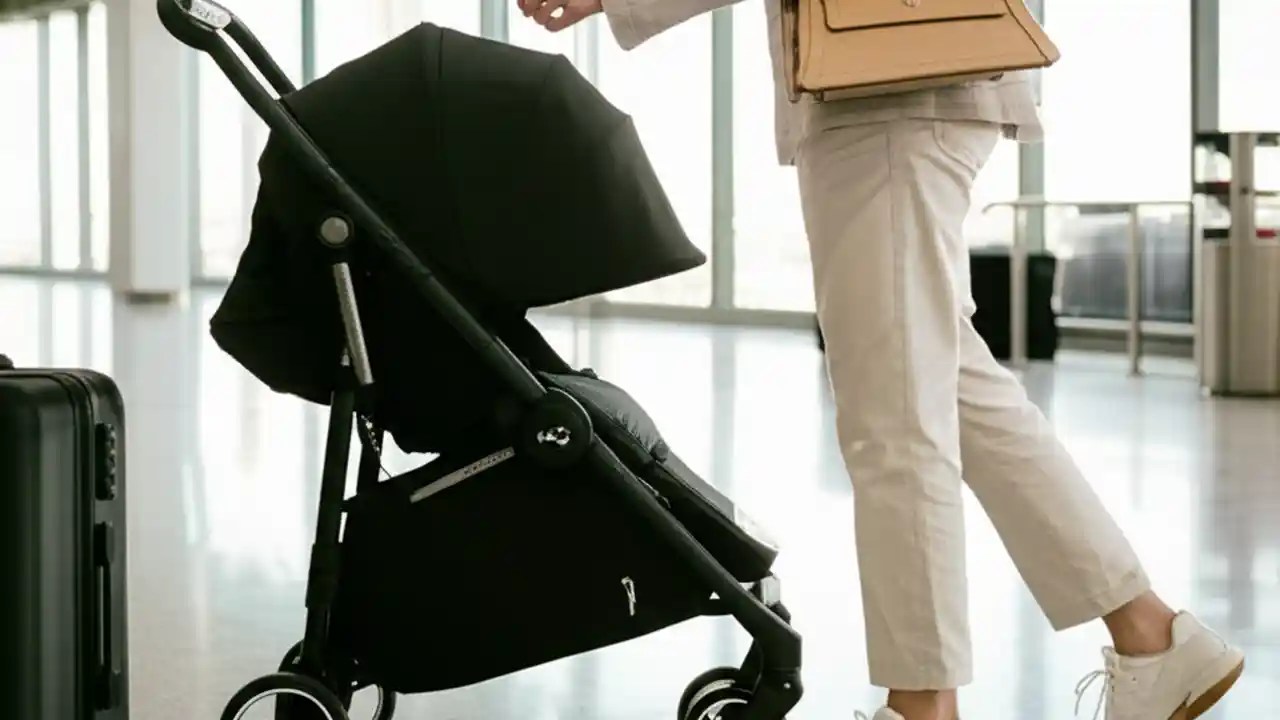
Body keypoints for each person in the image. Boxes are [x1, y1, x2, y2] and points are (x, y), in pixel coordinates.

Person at [514, 1, 1246, 718]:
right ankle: (1150, 636)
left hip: (888, 96)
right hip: (900, 83)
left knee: (893, 418)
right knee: (950, 387)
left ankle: (924, 701)